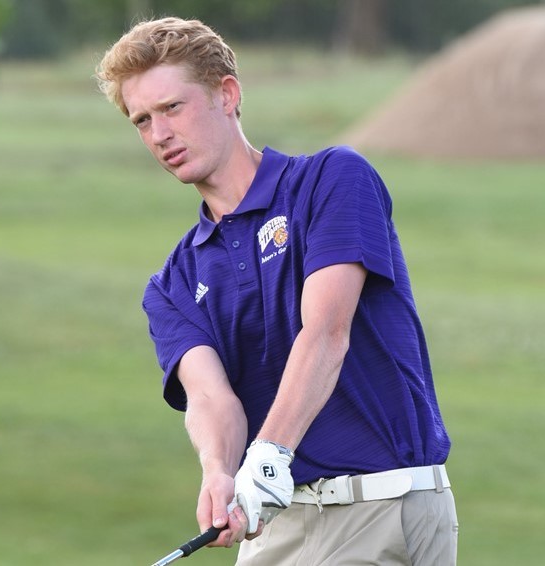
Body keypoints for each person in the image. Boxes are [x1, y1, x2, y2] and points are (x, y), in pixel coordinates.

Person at [96, 17, 458, 565]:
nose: (159, 134)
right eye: (142, 120)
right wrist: (219, 470)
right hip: (276, 526)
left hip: (379, 508)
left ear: (228, 95)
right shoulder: (171, 285)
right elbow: (211, 397)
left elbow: (326, 333)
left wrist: (267, 454)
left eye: (172, 108)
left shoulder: (330, 181)